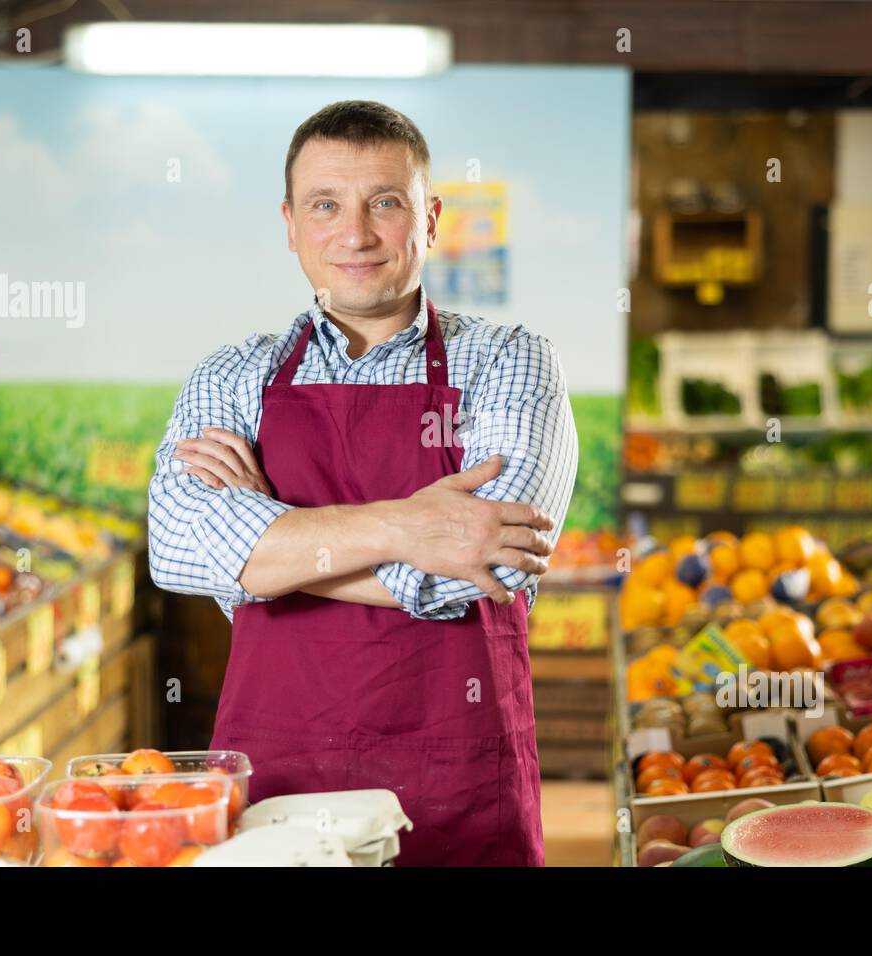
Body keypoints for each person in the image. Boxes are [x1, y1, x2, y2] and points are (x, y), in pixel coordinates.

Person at [148, 100, 579, 866]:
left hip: (461, 788)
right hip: (276, 794)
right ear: (289, 224)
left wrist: (269, 545)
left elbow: (493, 566)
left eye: (385, 202)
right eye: (325, 205)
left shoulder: (513, 361)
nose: (356, 233)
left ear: (431, 217)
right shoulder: (232, 374)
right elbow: (181, 548)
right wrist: (406, 527)